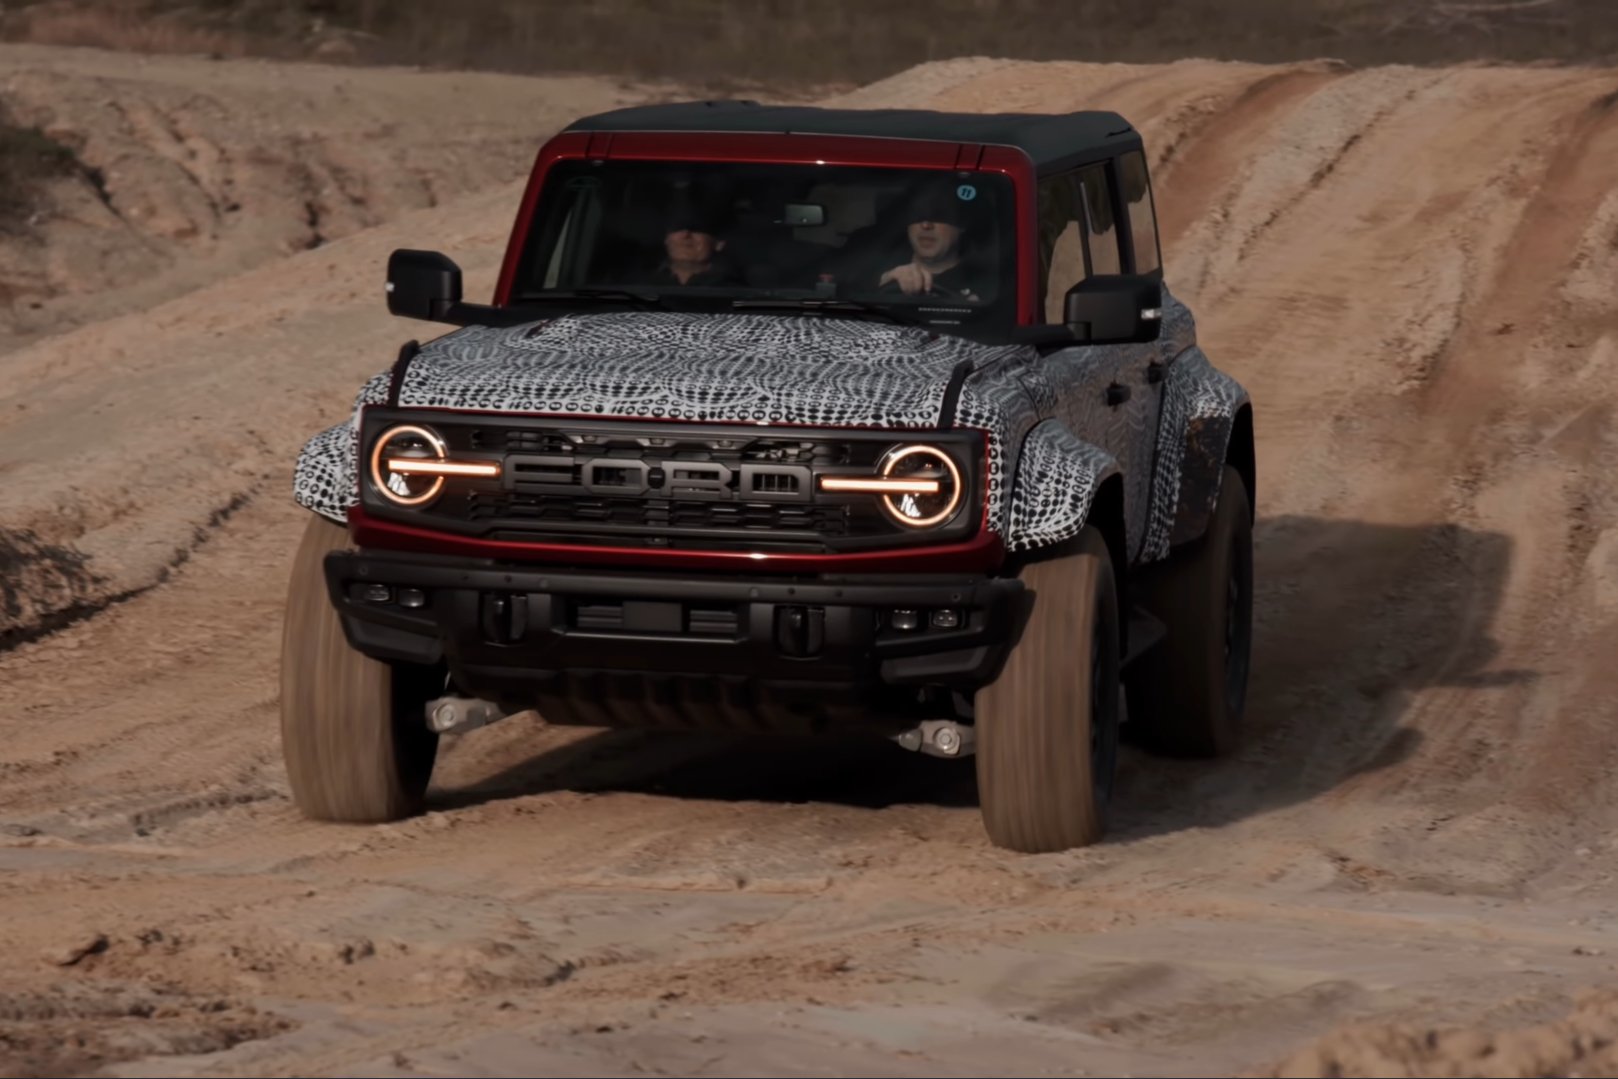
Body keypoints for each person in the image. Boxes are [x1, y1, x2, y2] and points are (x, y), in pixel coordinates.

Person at [876, 183, 985, 301]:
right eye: (917, 215)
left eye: (939, 214)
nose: (926, 225)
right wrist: (881, 290)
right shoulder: (874, 265)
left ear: (961, 224)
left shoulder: (985, 283)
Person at [645, 195, 742, 286]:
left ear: (718, 243)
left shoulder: (735, 291)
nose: (685, 235)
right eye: (677, 228)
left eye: (696, 229)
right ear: (666, 239)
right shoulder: (642, 285)